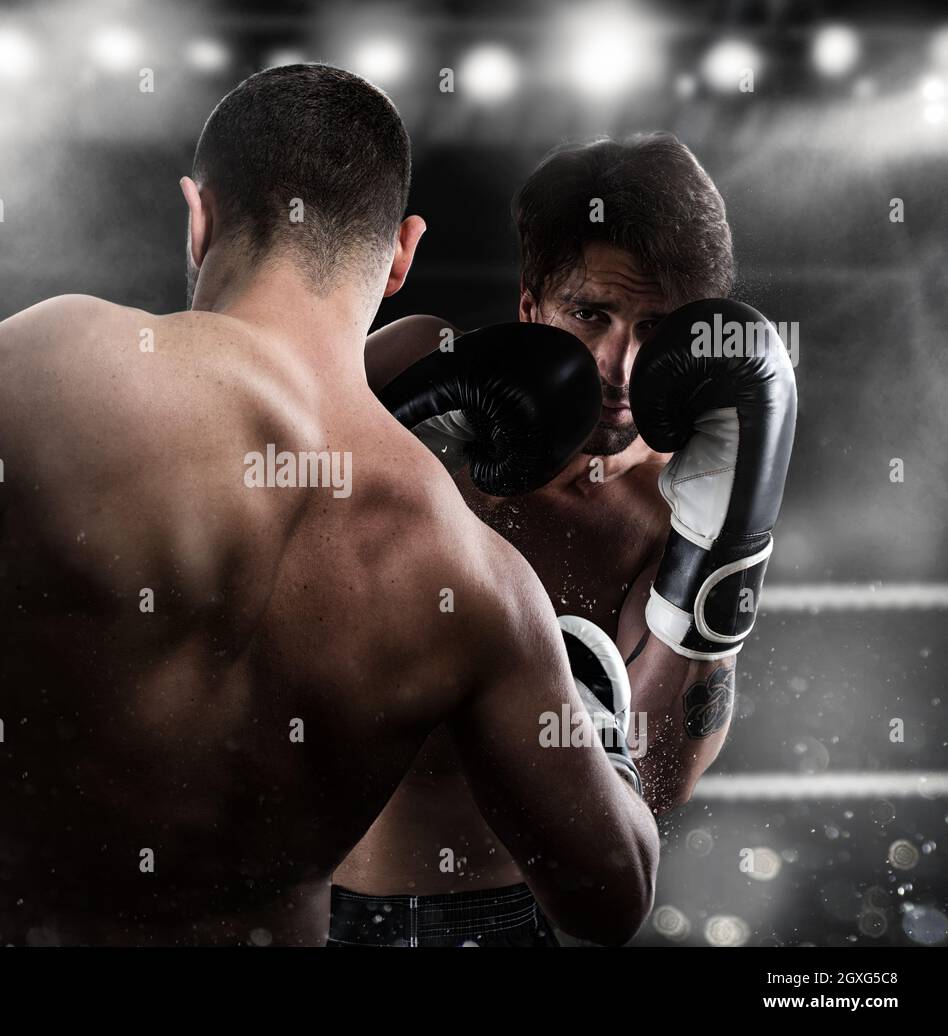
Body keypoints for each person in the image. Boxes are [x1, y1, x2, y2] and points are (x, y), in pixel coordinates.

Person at [0, 66, 658, 947]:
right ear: (404, 253)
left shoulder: (58, 370)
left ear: (197, 218)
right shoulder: (477, 580)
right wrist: (588, 701)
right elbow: (610, 896)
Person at [337, 133, 795, 947]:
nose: (622, 365)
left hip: (503, 916)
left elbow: (652, 781)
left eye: (658, 327)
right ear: (531, 305)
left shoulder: (676, 505)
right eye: (592, 314)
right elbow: (237, 500)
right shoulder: (417, 363)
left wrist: (722, 554)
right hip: (300, 887)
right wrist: (388, 470)